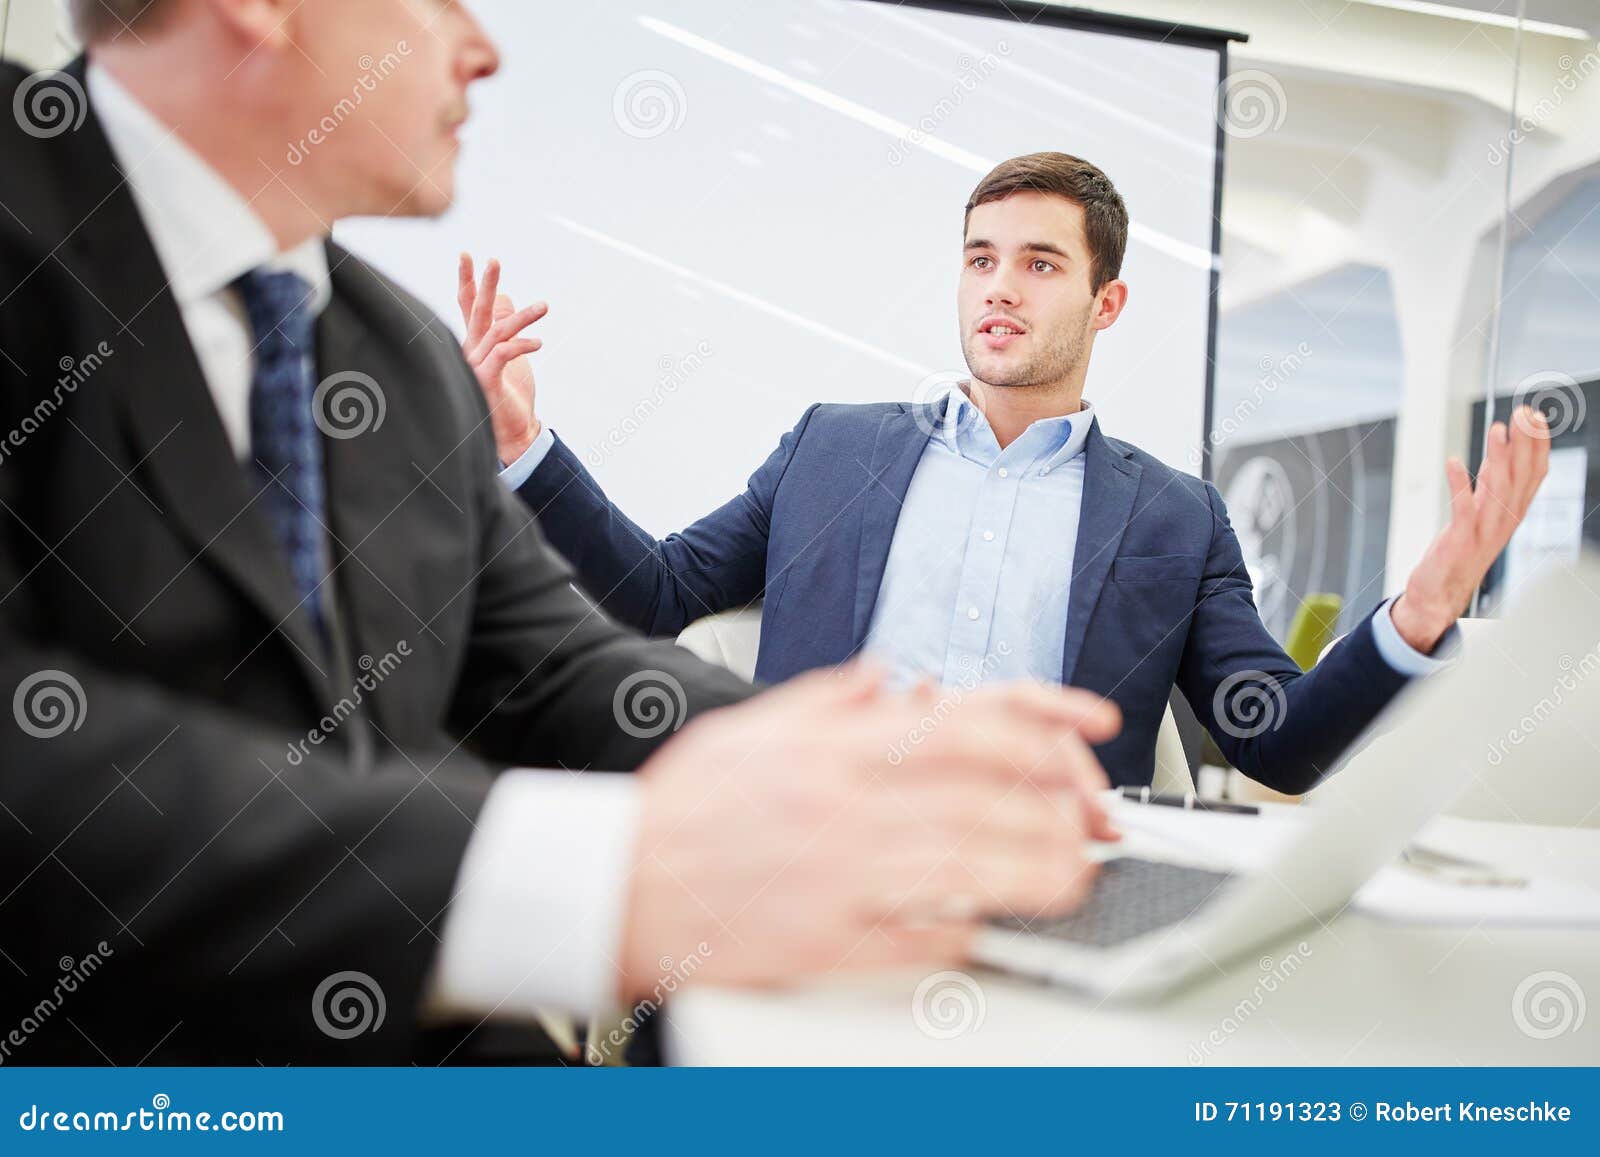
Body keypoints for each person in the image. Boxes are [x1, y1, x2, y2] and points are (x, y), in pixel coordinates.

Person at [0, 1, 1118, 1065]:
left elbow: (551, 666)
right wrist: (589, 875)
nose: (481, 50)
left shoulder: (399, 355)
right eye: (440, 4)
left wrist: (869, 774)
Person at [481, 151, 1551, 795]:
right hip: (803, 863)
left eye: (1040, 263)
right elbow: (657, 594)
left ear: (1106, 301)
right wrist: (525, 450)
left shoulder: (1179, 519)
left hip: (1050, 905)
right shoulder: (832, 445)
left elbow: (1276, 744)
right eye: (980, 257)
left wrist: (1418, 610)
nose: (1001, 287)